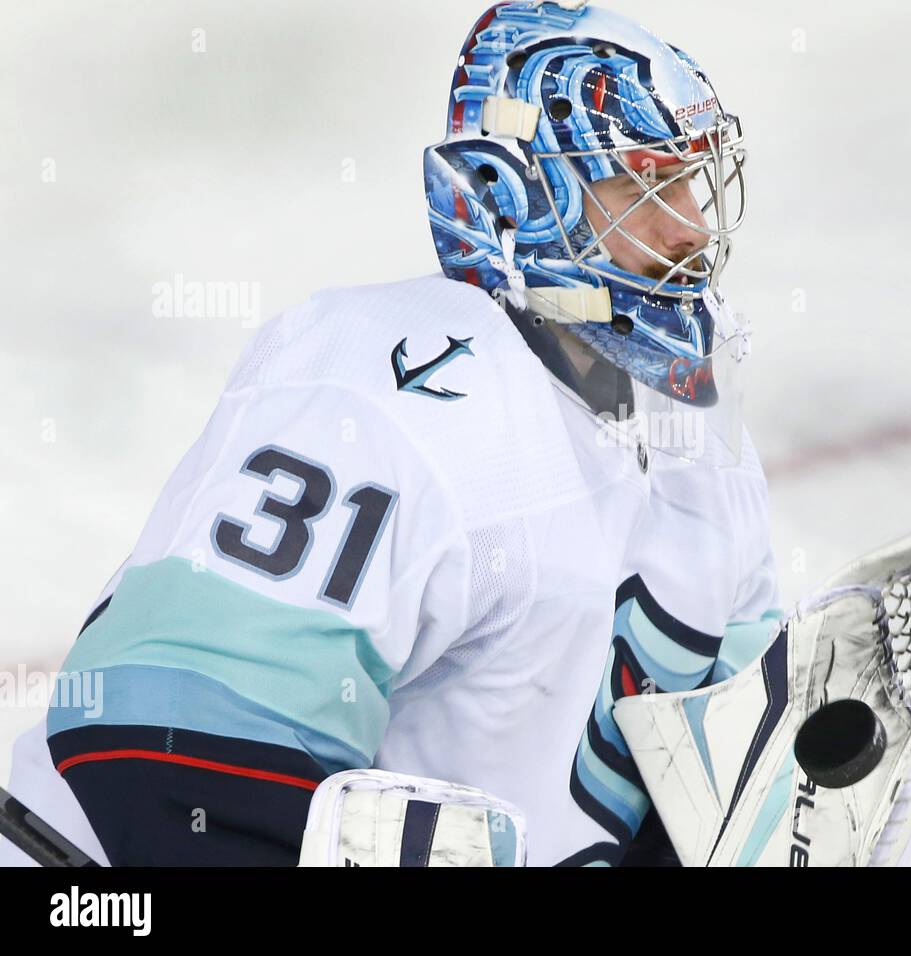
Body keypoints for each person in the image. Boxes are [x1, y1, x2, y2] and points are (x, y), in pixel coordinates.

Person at [1, 0, 779, 866]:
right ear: (511, 192)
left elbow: (722, 778)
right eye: (641, 184)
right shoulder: (381, 394)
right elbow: (166, 755)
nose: (693, 230)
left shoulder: (697, 423)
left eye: (690, 180)